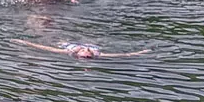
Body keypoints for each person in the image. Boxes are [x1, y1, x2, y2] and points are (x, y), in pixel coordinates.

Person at [15, 38, 146, 60]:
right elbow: (123, 55)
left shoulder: (70, 50)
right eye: (86, 53)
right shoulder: (98, 53)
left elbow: (46, 48)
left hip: (69, 43)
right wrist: (141, 52)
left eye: (85, 53)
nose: (86, 51)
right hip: (88, 42)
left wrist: (25, 42)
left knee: (60, 41)